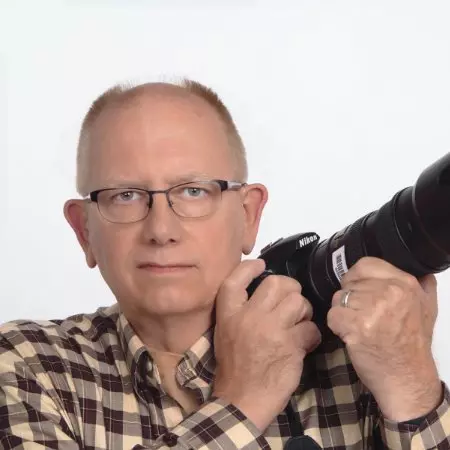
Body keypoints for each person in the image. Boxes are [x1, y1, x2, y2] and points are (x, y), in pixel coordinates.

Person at [1, 79, 449, 450]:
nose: (161, 229)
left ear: (249, 215)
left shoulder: (361, 353)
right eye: (126, 195)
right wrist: (241, 401)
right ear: (84, 231)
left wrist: (412, 388)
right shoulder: (28, 366)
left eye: (194, 191)